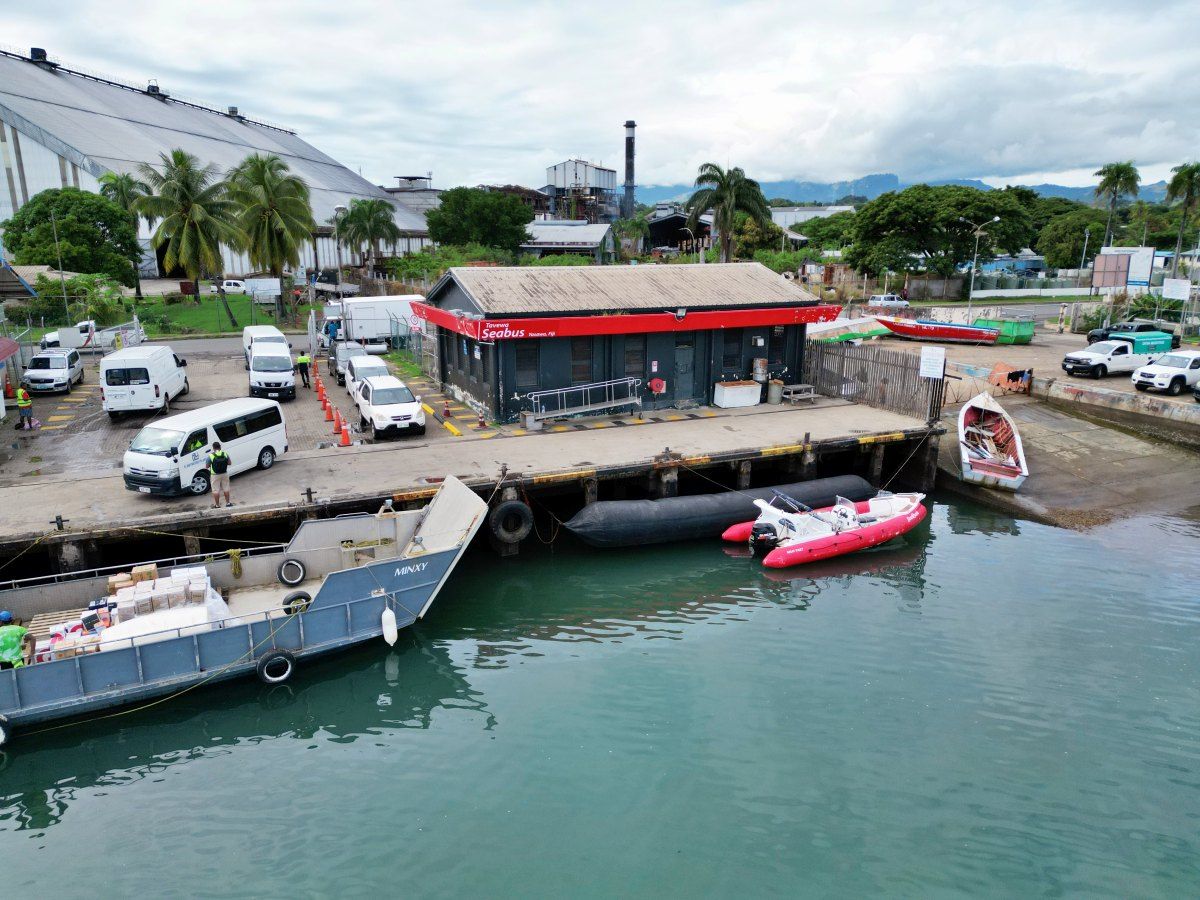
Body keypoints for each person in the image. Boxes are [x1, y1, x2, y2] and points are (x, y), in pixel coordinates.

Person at [208, 441, 232, 508]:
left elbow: (207, 466)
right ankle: (228, 503)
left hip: (214, 475)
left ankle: (217, 505)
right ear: (220, 447)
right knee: (226, 488)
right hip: (224, 474)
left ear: (213, 448)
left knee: (216, 490)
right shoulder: (225, 454)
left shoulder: (211, 456)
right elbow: (230, 463)